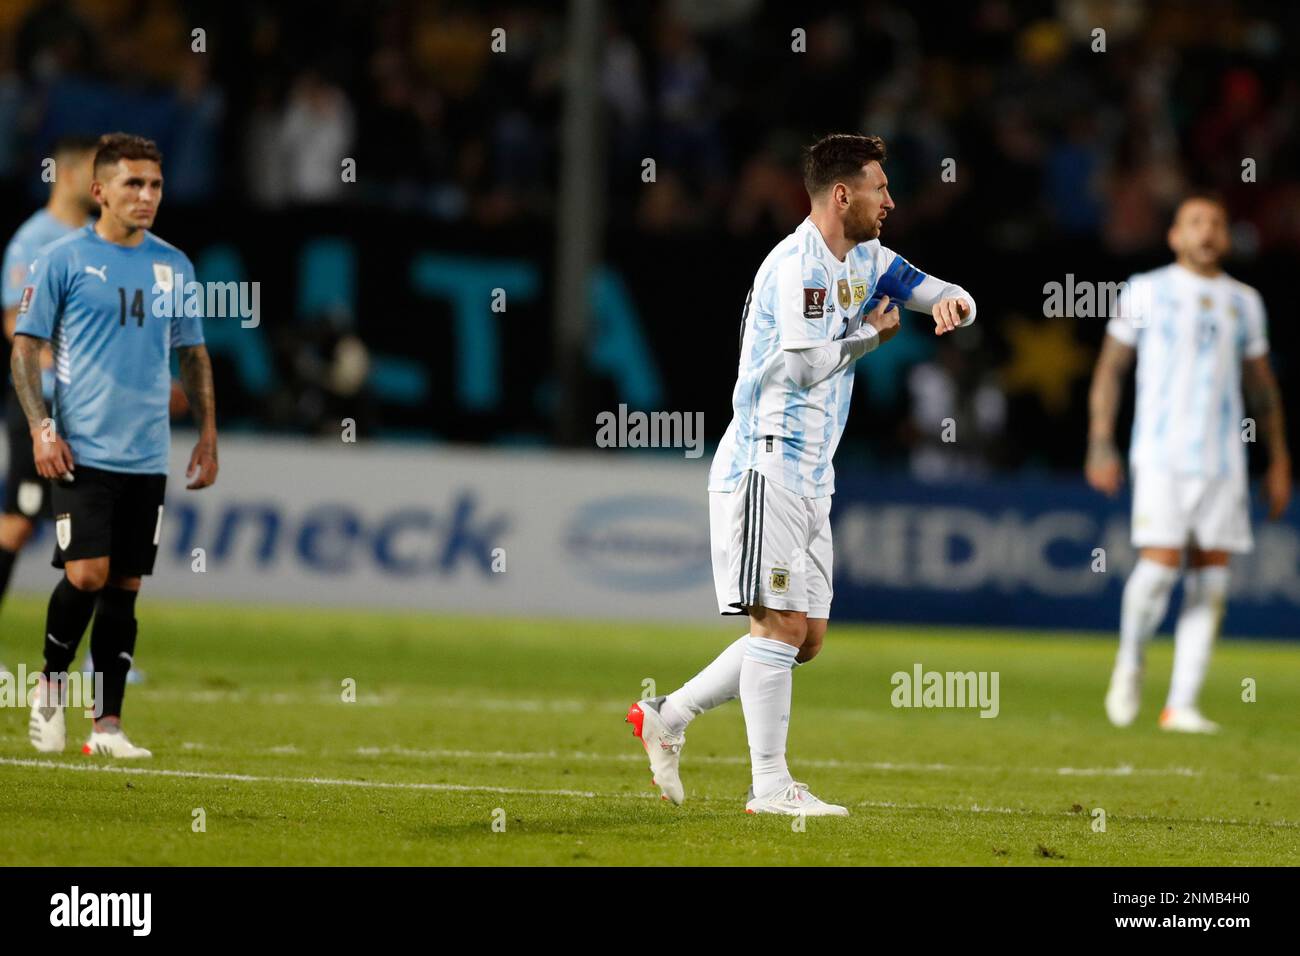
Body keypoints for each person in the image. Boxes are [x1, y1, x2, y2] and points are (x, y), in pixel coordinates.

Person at [627, 134, 977, 815]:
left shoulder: (867, 256)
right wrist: (872, 338)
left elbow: (924, 284)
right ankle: (770, 787)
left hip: (815, 473)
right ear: (843, 195)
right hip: (768, 461)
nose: (891, 200)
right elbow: (807, 363)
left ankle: (667, 715)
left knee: (804, 640)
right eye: (881, 187)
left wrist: (953, 299)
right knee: (779, 625)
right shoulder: (797, 268)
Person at [15, 133, 219, 758]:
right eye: (134, 184)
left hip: (145, 454)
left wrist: (208, 432)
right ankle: (48, 688)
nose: (147, 195)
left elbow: (193, 353)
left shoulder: (174, 266)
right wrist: (40, 428)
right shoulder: (62, 260)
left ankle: (107, 727)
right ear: (100, 190)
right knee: (88, 573)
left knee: (124, 587)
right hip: (81, 449)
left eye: (155, 185)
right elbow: (24, 349)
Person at [1087, 193, 1291, 733]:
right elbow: (1111, 369)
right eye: (1195, 222)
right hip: (1161, 453)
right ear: (1175, 235)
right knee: (1157, 569)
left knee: (1212, 581)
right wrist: (1101, 441)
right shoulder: (1146, 289)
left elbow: (1262, 385)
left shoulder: (1244, 301)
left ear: (1226, 237)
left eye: (1218, 223)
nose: (1207, 231)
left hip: (1224, 459)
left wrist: (1278, 460)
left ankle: (1181, 704)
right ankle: (1130, 662)